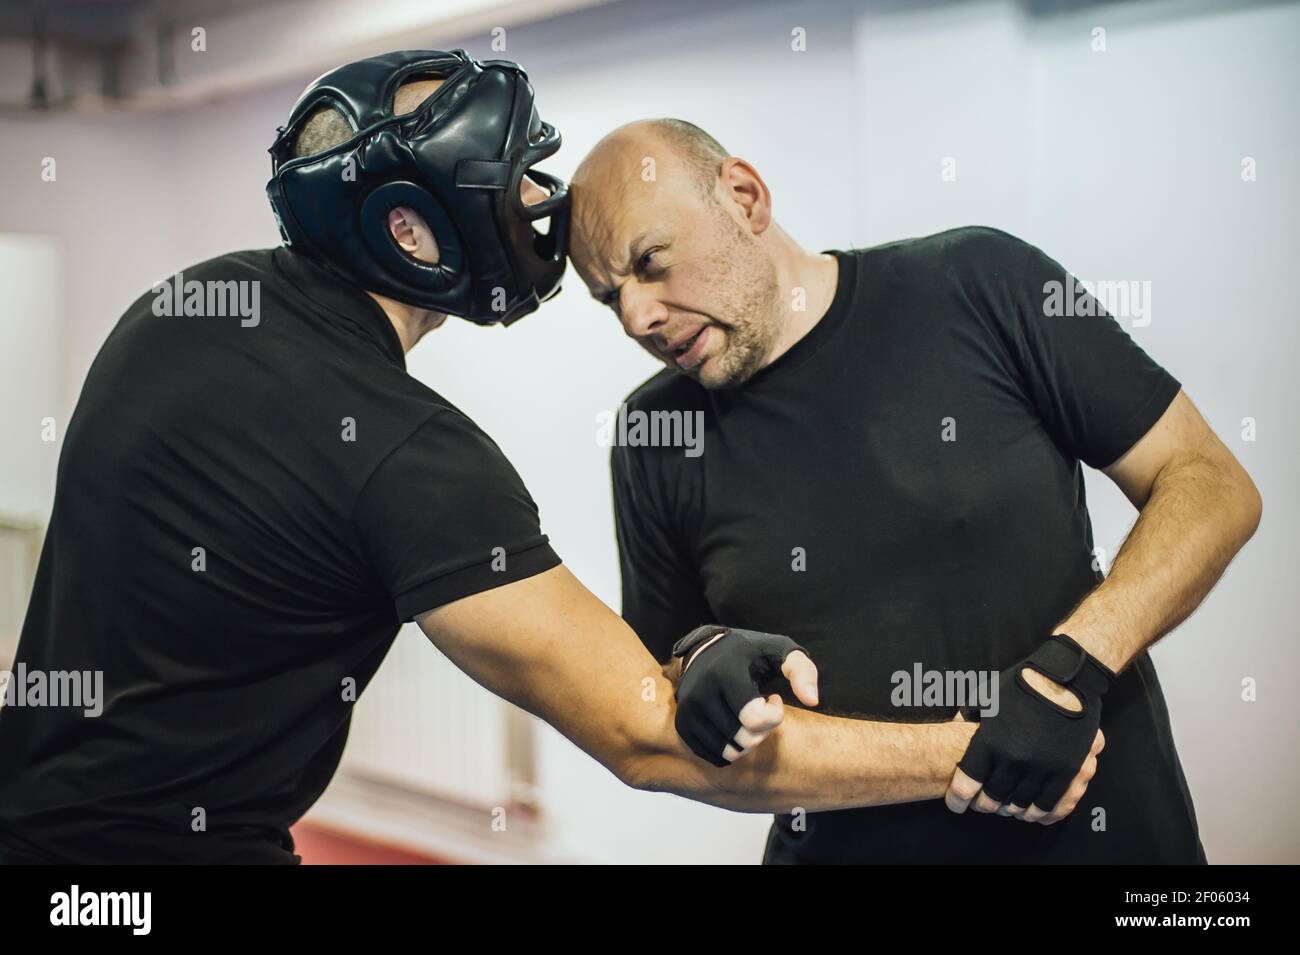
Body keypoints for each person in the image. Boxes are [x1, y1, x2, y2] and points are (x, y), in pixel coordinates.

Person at [0, 51, 1099, 865]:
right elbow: (643, 735)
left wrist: (697, 644)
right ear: (414, 230)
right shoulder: (405, 454)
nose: (543, 203)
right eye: (519, 177)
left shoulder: (178, 310)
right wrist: (974, 748)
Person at [567, 118, 1262, 864]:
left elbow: (1209, 482)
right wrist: (700, 654)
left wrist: (1077, 662)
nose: (639, 316)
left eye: (650, 262)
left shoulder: (979, 282)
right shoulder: (654, 433)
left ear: (744, 196)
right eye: (610, 298)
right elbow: (664, 689)